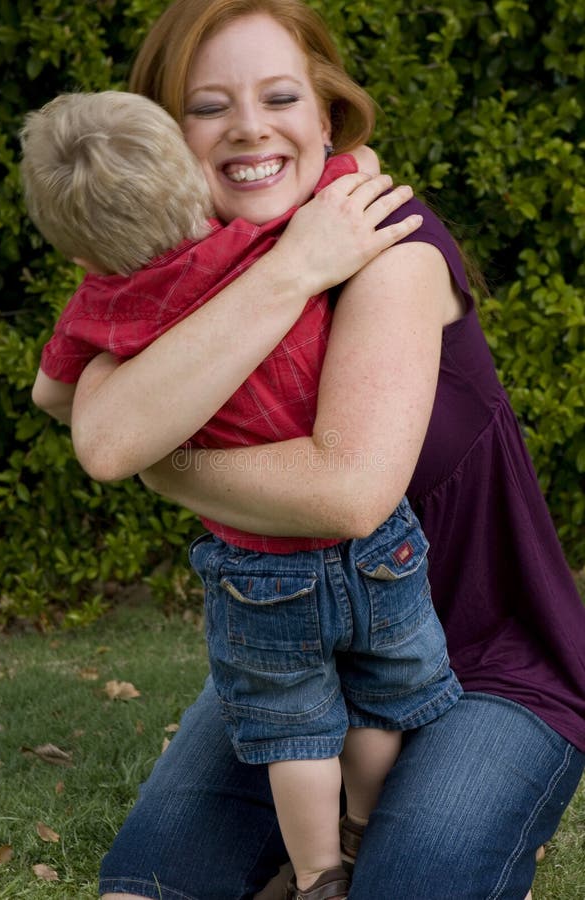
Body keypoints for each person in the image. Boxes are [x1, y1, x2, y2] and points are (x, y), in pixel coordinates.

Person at [45, 1, 585, 898]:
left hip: (493, 657)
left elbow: (350, 495)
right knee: (142, 892)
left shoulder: (387, 241)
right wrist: (294, 265)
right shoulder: (169, 274)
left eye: (280, 95)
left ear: (323, 118)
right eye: (207, 105)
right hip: (299, 642)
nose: (249, 126)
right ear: (160, 139)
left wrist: (161, 450)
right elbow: (102, 434)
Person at [23, 88, 459, 898]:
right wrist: (350, 161)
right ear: (193, 182)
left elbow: (55, 398)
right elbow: (357, 168)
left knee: (294, 732)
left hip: (256, 569)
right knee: (383, 699)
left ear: (79, 252)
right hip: (374, 549)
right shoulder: (260, 235)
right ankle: (365, 828)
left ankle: (319, 872)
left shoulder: (102, 306)